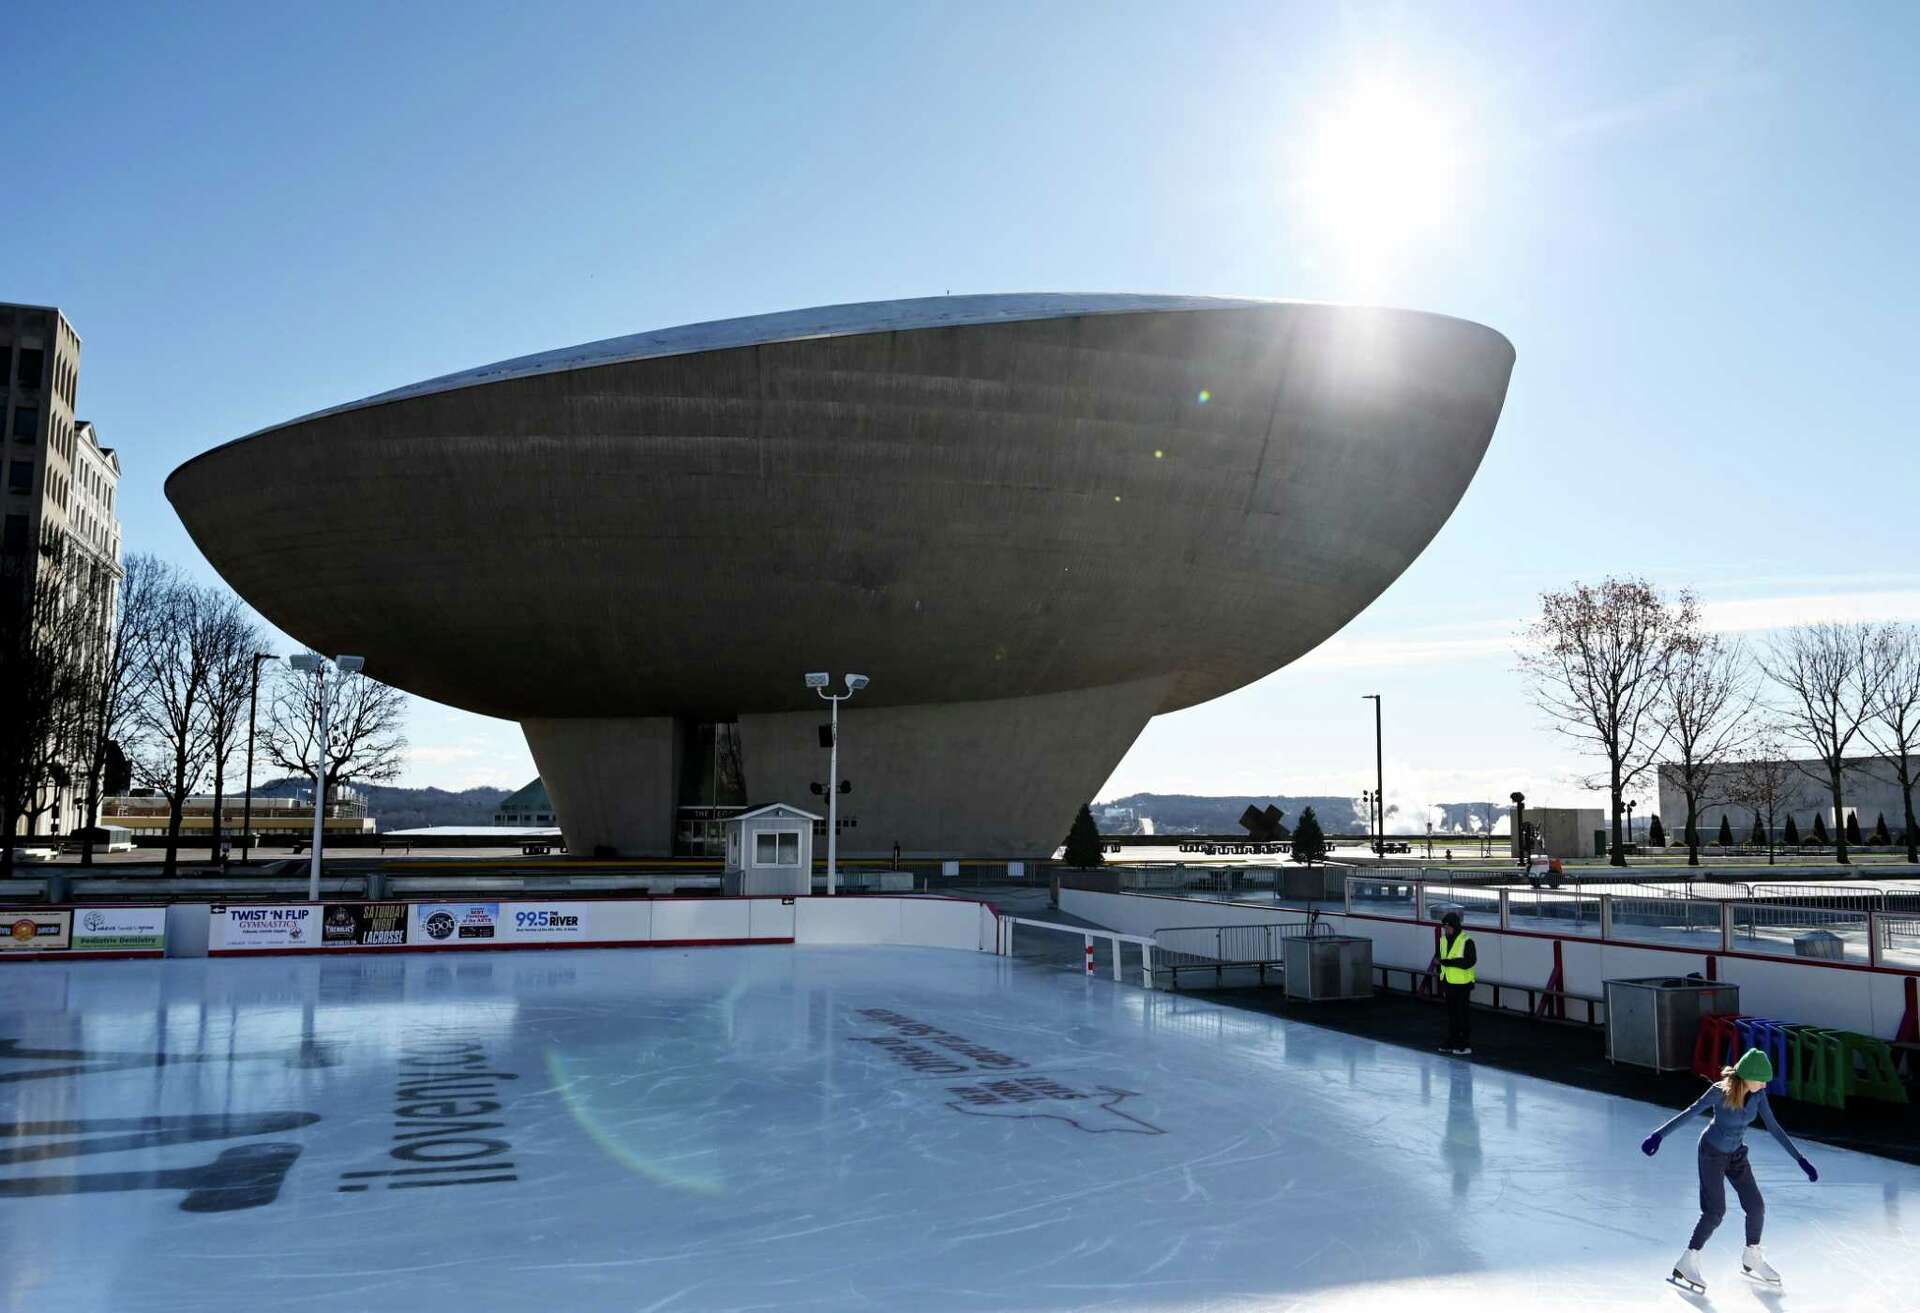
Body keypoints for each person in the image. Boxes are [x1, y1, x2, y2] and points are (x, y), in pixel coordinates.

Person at [1641, 1047, 1818, 1292]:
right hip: (1712, 1153)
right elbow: (1691, 1112)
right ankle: (1687, 1261)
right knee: (1715, 1211)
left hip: (1736, 1154)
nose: (1764, 1085)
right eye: (1761, 1080)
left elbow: (1774, 1128)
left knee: (1756, 1206)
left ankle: (1752, 1255)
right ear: (1747, 1076)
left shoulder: (1758, 1096)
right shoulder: (1720, 1092)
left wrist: (1800, 1160)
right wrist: (1658, 1136)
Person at [1435, 910, 1476, 1055]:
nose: (1446, 930)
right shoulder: (1444, 940)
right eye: (1445, 928)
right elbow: (1440, 956)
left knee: (1462, 1014)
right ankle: (1452, 1040)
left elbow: (1469, 962)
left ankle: (1464, 1044)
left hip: (1463, 984)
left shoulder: (1466, 940)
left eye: (1448, 927)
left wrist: (1445, 962)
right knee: (1452, 1014)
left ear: (1455, 926)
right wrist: (1439, 961)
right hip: (1449, 982)